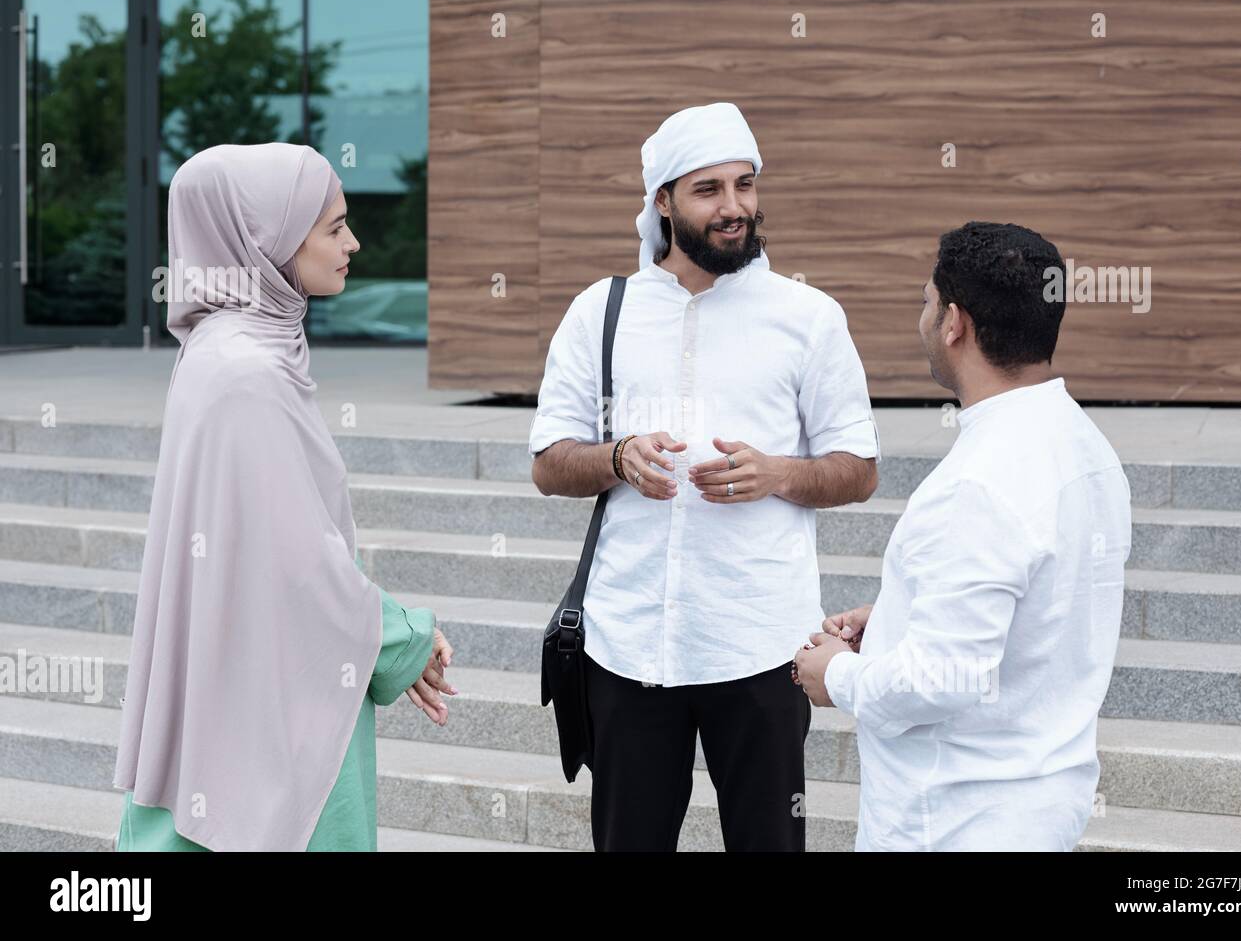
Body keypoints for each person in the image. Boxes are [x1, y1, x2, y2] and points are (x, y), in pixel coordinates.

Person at [529, 102, 881, 851]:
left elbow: (860, 470)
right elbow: (548, 463)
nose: (734, 209)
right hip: (627, 647)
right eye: (708, 190)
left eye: (745, 185)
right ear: (662, 201)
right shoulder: (602, 312)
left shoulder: (807, 317)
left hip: (761, 647)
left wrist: (779, 472)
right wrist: (616, 456)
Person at [113, 142, 455, 852]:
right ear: (263, 242)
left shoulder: (225, 349)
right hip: (272, 706)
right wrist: (404, 638)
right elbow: (299, 562)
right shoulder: (245, 371)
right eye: (333, 227)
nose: (353, 243)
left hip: (242, 677)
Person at [795, 221, 1132, 851]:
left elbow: (940, 680)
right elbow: (1039, 604)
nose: (922, 320)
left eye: (927, 302)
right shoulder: (1088, 448)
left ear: (956, 323)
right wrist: (900, 614)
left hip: (955, 820)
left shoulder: (978, 484)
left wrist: (835, 674)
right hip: (1038, 804)